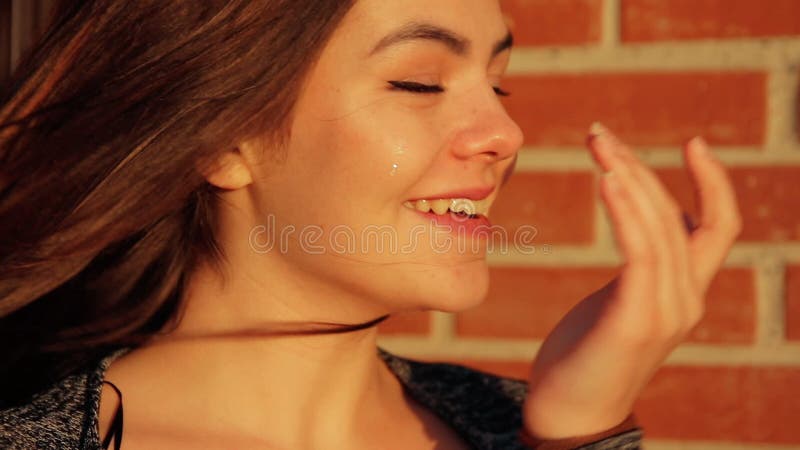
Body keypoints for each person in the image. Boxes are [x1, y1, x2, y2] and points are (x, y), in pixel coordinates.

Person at [0, 0, 742, 449]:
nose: (505, 132)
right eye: (419, 81)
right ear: (223, 140)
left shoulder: (517, 424)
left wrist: (582, 429)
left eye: (498, 83)